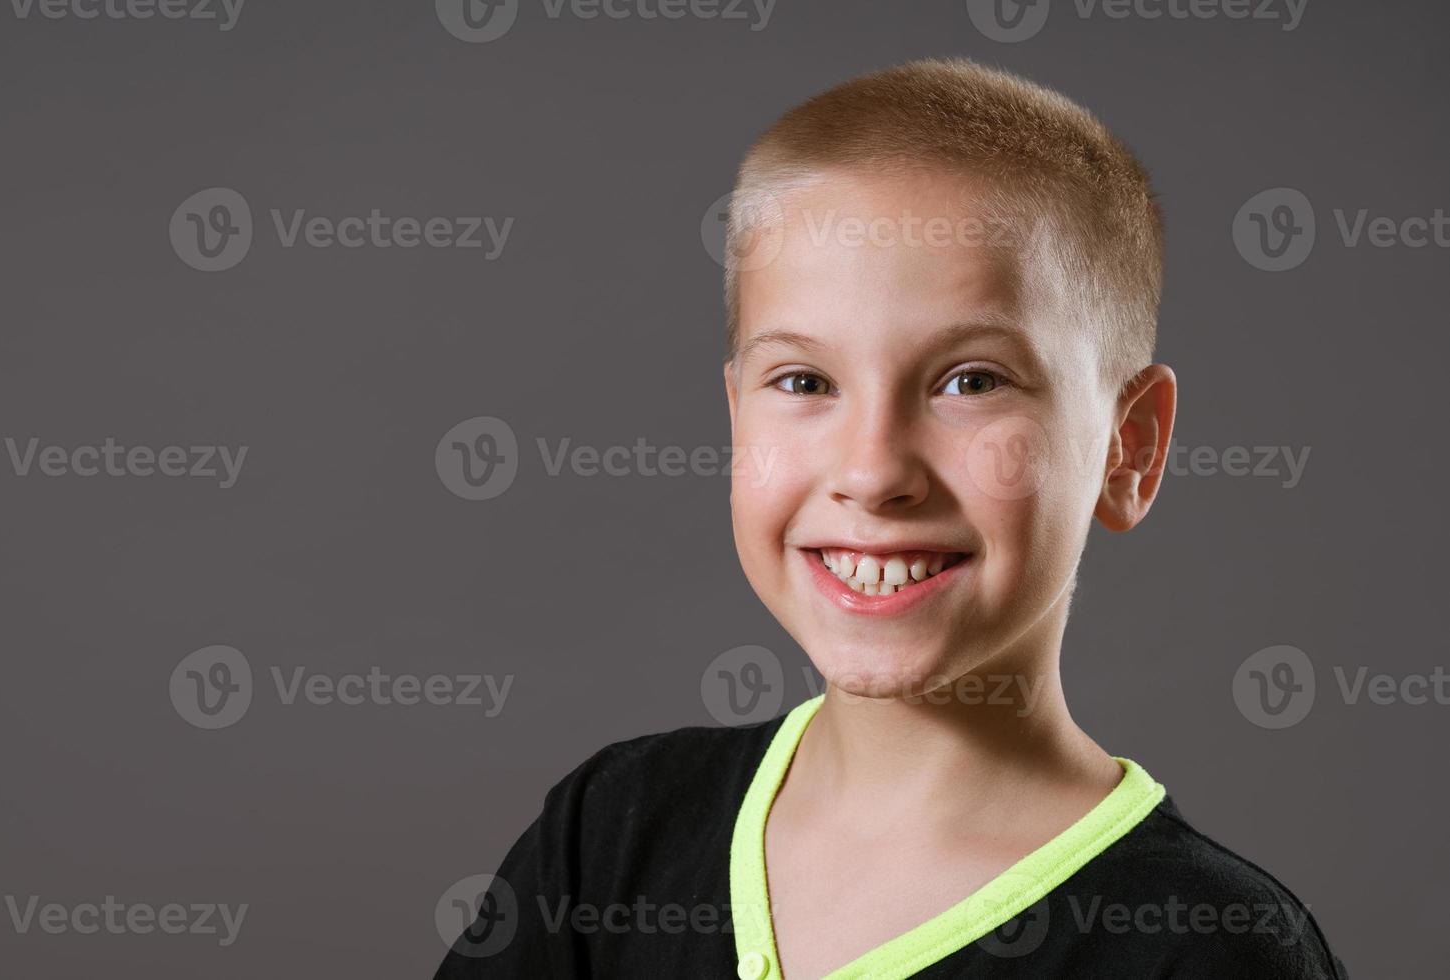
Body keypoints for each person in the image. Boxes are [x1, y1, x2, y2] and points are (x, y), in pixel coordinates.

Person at [434, 58, 1347, 979]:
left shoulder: (1215, 952)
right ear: (734, 414)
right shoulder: (610, 832)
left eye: (971, 382)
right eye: (804, 382)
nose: (872, 472)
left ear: (1127, 446)